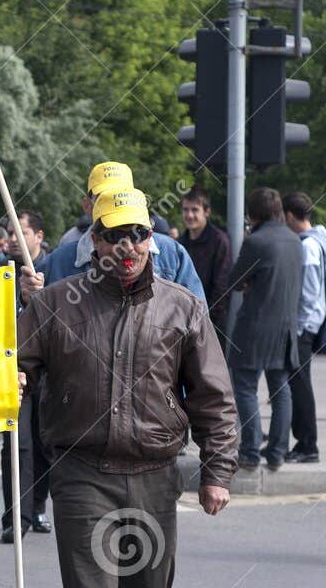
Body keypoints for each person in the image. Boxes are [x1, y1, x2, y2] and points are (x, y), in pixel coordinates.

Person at [18, 187, 237, 588]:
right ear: (95, 241)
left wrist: (217, 470)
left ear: (152, 240)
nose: (129, 246)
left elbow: (215, 397)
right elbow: (11, 365)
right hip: (80, 473)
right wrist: (11, 380)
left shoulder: (183, 308)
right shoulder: (55, 304)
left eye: (138, 234)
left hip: (155, 474)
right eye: (116, 235)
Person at [44, 164, 206, 297]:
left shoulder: (172, 253)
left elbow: (197, 316)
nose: (114, 203)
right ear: (87, 206)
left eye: (122, 195)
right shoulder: (59, 261)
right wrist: (31, 297)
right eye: (103, 198)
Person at [227, 188, 303, 471]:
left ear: (252, 214)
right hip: (286, 328)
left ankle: (249, 451)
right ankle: (277, 452)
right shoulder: (295, 241)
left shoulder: (255, 242)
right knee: (281, 390)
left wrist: (250, 283)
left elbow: (234, 281)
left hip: (255, 327)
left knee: (245, 388)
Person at [1, 213, 50, 542]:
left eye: (22, 231)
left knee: (45, 442)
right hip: (12, 370)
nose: (14, 238)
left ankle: (38, 506)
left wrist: (39, 297)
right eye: (10, 232)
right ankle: (16, 517)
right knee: (16, 444)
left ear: (38, 236)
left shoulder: (53, 266)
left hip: (48, 370)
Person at [283, 192, 326, 464]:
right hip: (312, 323)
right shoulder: (318, 241)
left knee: (301, 386)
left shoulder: (308, 247)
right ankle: (304, 442)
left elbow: (308, 293)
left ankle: (308, 445)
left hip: (304, 326)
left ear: (289, 216)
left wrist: (298, 327)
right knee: (300, 383)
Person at [177, 188, 232, 344]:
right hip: (182, 323)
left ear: (207, 212)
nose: (189, 215)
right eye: (185, 210)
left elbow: (222, 287)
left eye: (195, 210)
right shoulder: (179, 243)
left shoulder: (219, 241)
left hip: (212, 324)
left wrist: (206, 321)